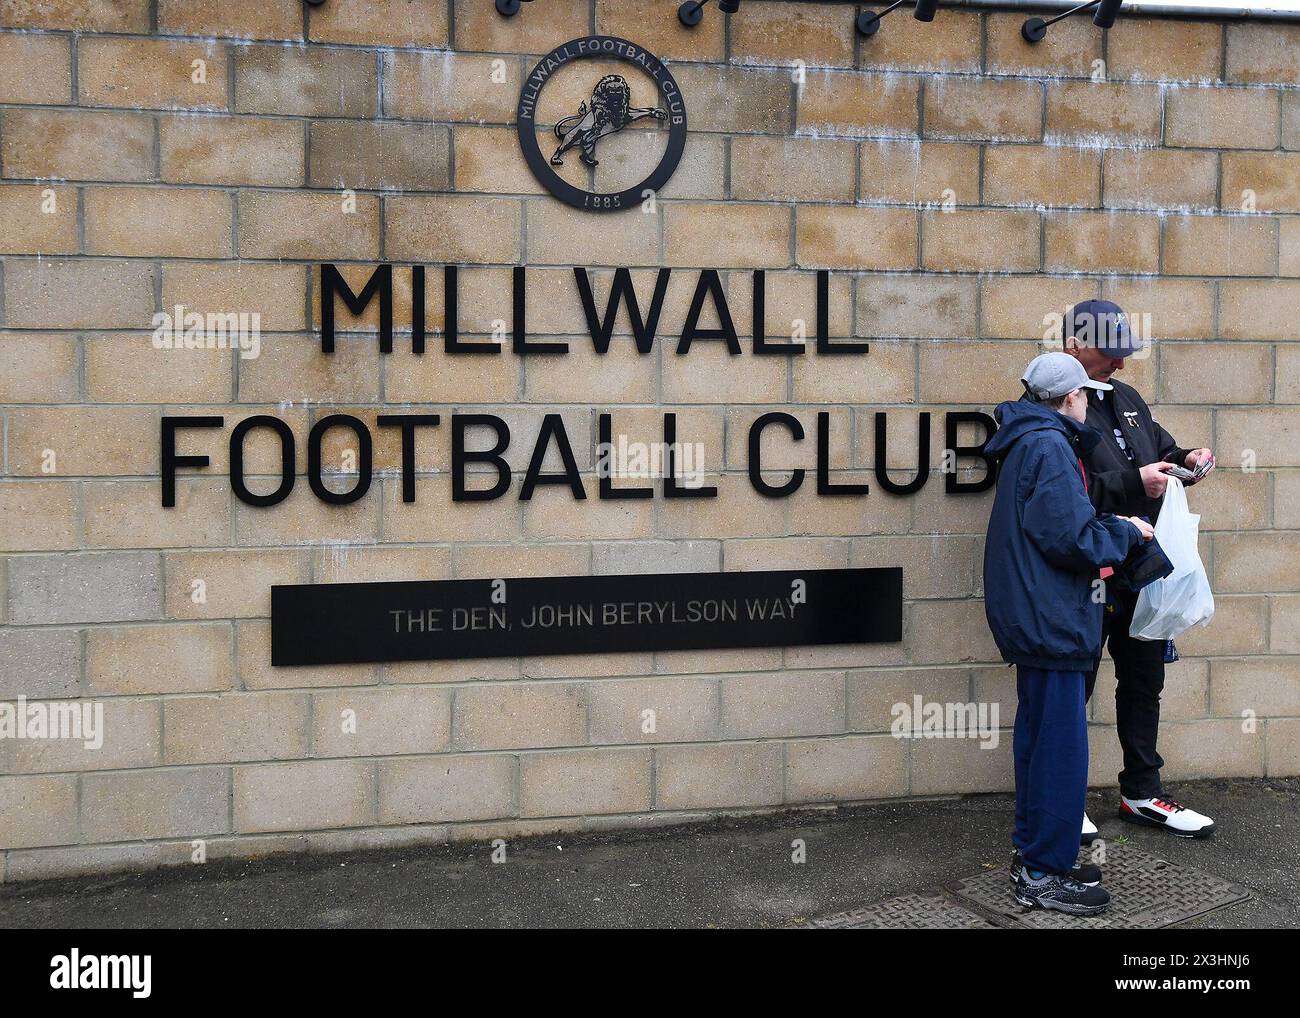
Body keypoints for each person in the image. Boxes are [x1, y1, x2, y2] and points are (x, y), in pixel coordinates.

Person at [984, 352, 1154, 916]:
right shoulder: (1050, 446)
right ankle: (1043, 874)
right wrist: (1126, 532)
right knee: (1059, 752)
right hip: (1052, 621)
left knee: (1039, 744)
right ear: (1068, 399)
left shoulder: (1030, 438)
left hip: (1037, 619)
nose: (1088, 401)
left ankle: (1035, 857)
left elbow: (1054, 529)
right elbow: (1071, 539)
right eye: (1083, 394)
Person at [1062, 300, 1217, 840]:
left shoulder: (1125, 398)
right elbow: (1060, 493)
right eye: (1111, 354)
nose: (1122, 365)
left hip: (1140, 567)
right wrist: (1135, 485)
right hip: (1084, 568)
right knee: (1072, 687)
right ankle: (1063, 800)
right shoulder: (1055, 403)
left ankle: (1141, 793)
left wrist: (1189, 459)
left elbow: (1159, 450)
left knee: (1144, 679)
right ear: (1075, 344)